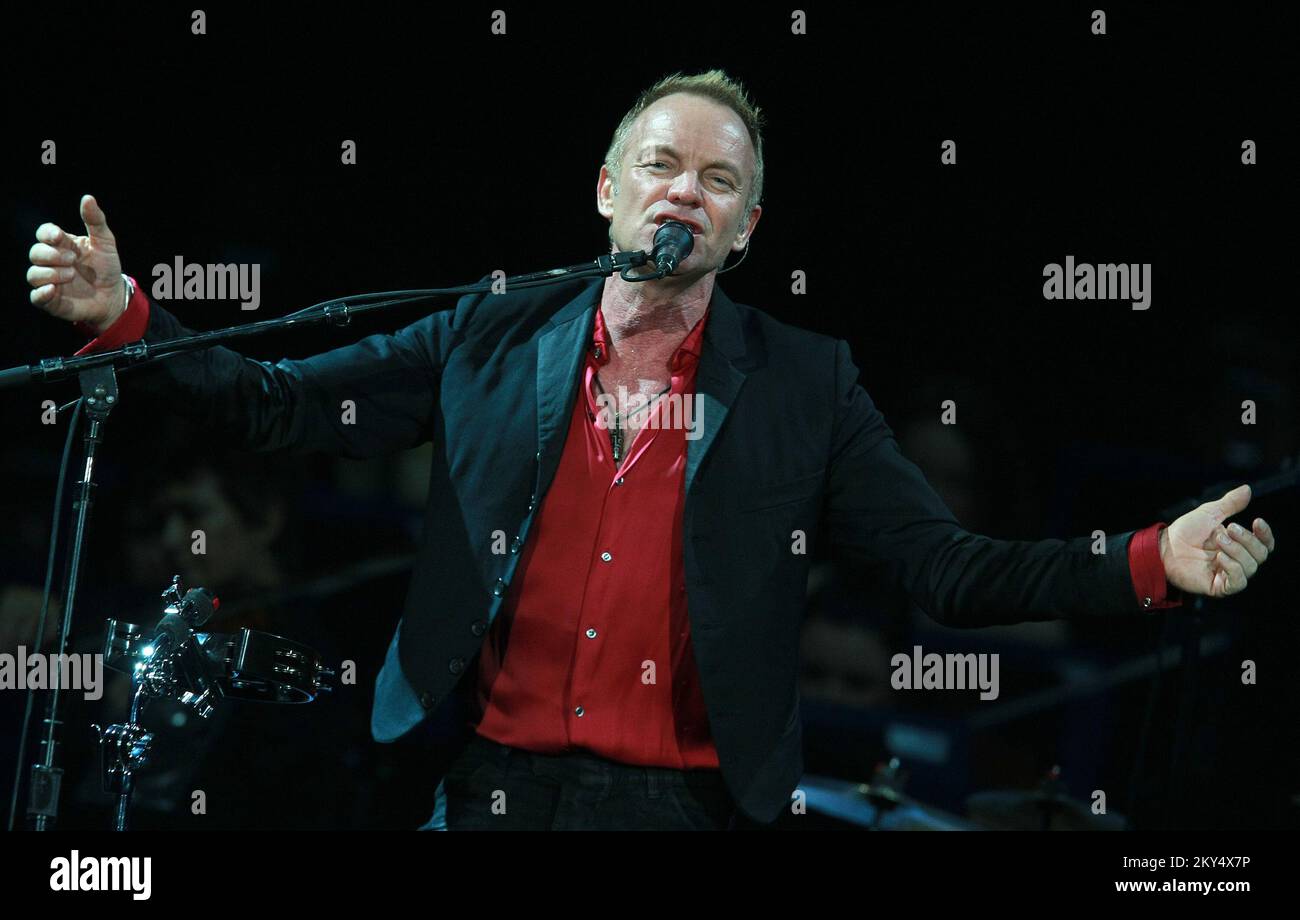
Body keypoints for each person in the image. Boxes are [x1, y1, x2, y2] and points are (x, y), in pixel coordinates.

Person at [24, 70, 1276, 831]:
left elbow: (941, 566)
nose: (684, 193)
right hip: (489, 786)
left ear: (746, 227)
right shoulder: (491, 331)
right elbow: (281, 401)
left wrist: (1146, 558)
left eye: (717, 181)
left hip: (685, 804)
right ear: (609, 191)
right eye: (661, 166)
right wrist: (129, 320)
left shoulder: (803, 381)